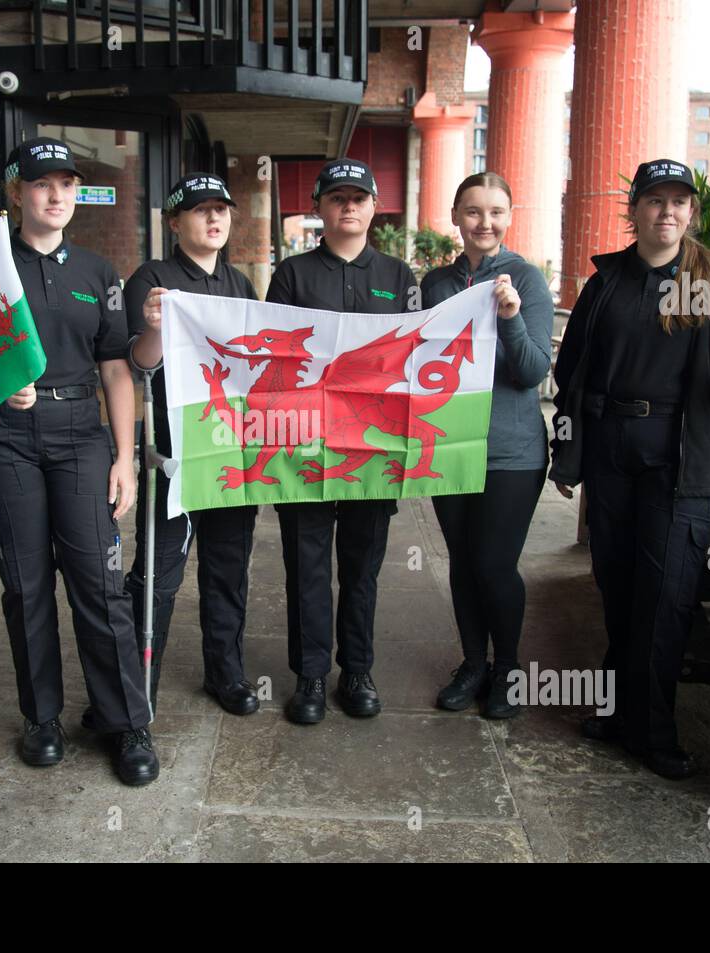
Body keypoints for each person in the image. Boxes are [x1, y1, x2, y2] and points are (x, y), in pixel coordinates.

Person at [549, 159, 710, 780]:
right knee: (619, 587)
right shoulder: (609, 280)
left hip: (678, 455)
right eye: (655, 200)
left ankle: (653, 732)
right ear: (635, 210)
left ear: (692, 213)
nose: (667, 212)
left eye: (680, 201)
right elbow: (572, 373)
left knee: (667, 596)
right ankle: (619, 714)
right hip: (611, 449)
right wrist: (567, 451)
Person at [0, 137, 157, 786]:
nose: (56, 196)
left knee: (99, 583)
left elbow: (116, 366)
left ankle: (123, 718)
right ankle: (41, 716)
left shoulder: (99, 273)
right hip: (4, 438)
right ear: (15, 191)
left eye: (67, 185)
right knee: (25, 588)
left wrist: (126, 456)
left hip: (81, 435)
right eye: (42, 184)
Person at [265, 158, 418, 724]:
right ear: (319, 208)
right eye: (337, 198)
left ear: (374, 207)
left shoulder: (400, 277)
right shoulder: (292, 275)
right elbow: (274, 358)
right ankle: (309, 676)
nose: (348, 206)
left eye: (358, 197)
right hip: (304, 443)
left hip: (371, 449)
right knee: (305, 565)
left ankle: (357, 669)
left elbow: (416, 353)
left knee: (361, 566)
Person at [124, 173, 262, 717]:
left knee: (229, 570)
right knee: (157, 575)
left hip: (231, 451)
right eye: (200, 211)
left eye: (221, 211)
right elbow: (137, 362)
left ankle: (225, 674)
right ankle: (138, 685)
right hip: (173, 453)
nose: (213, 219)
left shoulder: (242, 285)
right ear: (174, 221)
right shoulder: (152, 280)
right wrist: (156, 327)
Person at [420, 172, 553, 719]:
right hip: (450, 444)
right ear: (456, 217)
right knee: (462, 562)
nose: (485, 222)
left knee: (495, 564)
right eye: (473, 211)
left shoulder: (527, 280)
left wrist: (512, 319)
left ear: (509, 217)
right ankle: (473, 662)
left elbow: (533, 372)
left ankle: (509, 669)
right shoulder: (434, 284)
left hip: (510, 452)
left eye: (496, 212)